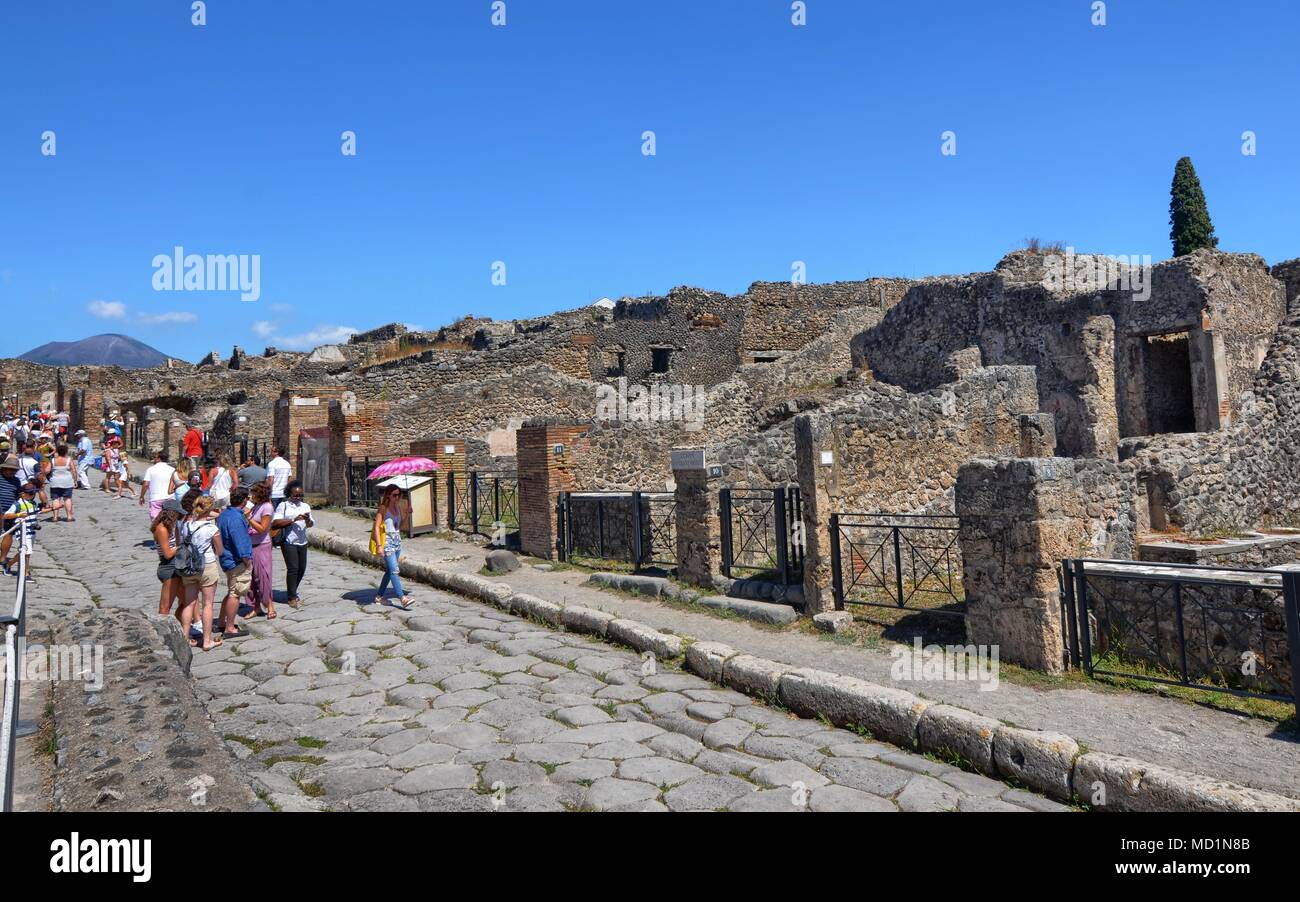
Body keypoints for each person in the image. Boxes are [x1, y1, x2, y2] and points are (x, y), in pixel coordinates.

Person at [177, 495, 224, 651]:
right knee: (208, 604)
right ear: (210, 509)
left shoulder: (186, 525)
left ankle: (184, 637)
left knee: (189, 602)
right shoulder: (212, 528)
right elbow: (220, 550)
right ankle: (207, 640)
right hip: (207, 565)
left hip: (188, 566)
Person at [215, 487, 253, 639]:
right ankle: (230, 627)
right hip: (236, 561)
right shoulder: (236, 518)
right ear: (244, 500)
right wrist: (247, 561)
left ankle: (222, 621)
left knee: (231, 591)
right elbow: (240, 542)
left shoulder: (224, 514)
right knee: (235, 593)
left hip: (227, 559)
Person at [272, 480, 313, 609]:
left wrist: (307, 520)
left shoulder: (305, 506)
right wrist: (293, 520)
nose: (298, 497)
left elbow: (311, 524)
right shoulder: (283, 505)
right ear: (289, 494)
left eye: (300, 495)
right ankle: (291, 597)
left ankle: (293, 590)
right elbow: (275, 523)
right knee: (293, 568)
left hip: (302, 540)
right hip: (288, 541)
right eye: (295, 495)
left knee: (302, 568)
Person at [373, 485, 414, 610]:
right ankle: (402, 598)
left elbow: (399, 526)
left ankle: (379, 597)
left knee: (390, 571)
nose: (397, 497)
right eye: (394, 495)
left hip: (397, 541)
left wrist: (407, 514)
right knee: (395, 570)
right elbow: (376, 527)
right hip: (387, 542)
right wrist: (379, 546)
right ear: (388, 495)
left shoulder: (397, 507)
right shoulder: (383, 508)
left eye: (399, 495)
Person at [1, 483, 47, 576]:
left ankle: (9, 565)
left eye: (34, 493)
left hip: (32, 531)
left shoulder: (32, 503)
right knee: (27, 552)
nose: (32, 495)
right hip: (22, 531)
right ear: (23, 494)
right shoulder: (17, 504)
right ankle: (26, 572)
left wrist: (55, 508)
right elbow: (6, 515)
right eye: (30, 493)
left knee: (26, 552)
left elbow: (39, 510)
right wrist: (18, 515)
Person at [246, 482, 276, 619]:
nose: (251, 496)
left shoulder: (267, 507)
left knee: (263, 576)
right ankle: (255, 607)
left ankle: (270, 606)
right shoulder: (255, 506)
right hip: (250, 545)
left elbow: (263, 528)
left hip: (262, 545)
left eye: (254, 493)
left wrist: (249, 519)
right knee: (251, 579)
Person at [151, 499, 185, 619]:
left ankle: (178, 626)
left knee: (188, 601)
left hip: (175, 565)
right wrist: (182, 546)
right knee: (165, 607)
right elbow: (168, 554)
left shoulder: (171, 526)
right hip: (169, 567)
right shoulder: (162, 529)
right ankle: (164, 631)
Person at [0, 458, 24, 574]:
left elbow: (18, 494)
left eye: (14, 470)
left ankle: (3, 558)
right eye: (9, 469)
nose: (11, 472)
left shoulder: (16, 481)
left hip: (9, 511)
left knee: (8, 534)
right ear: (4, 468)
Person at [139, 449, 177, 521]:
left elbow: (146, 484)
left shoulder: (151, 469)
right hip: (170, 498)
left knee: (156, 522)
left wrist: (142, 496)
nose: (154, 459)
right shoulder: (172, 469)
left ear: (159, 458)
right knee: (169, 521)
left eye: (155, 458)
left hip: (156, 498)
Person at [46, 444, 77, 522]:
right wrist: (75, 480)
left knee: (55, 499)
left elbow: (47, 470)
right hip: (67, 482)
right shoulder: (69, 460)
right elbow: (74, 470)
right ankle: (69, 516)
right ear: (66, 452)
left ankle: (55, 517)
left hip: (55, 482)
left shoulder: (53, 460)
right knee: (67, 498)